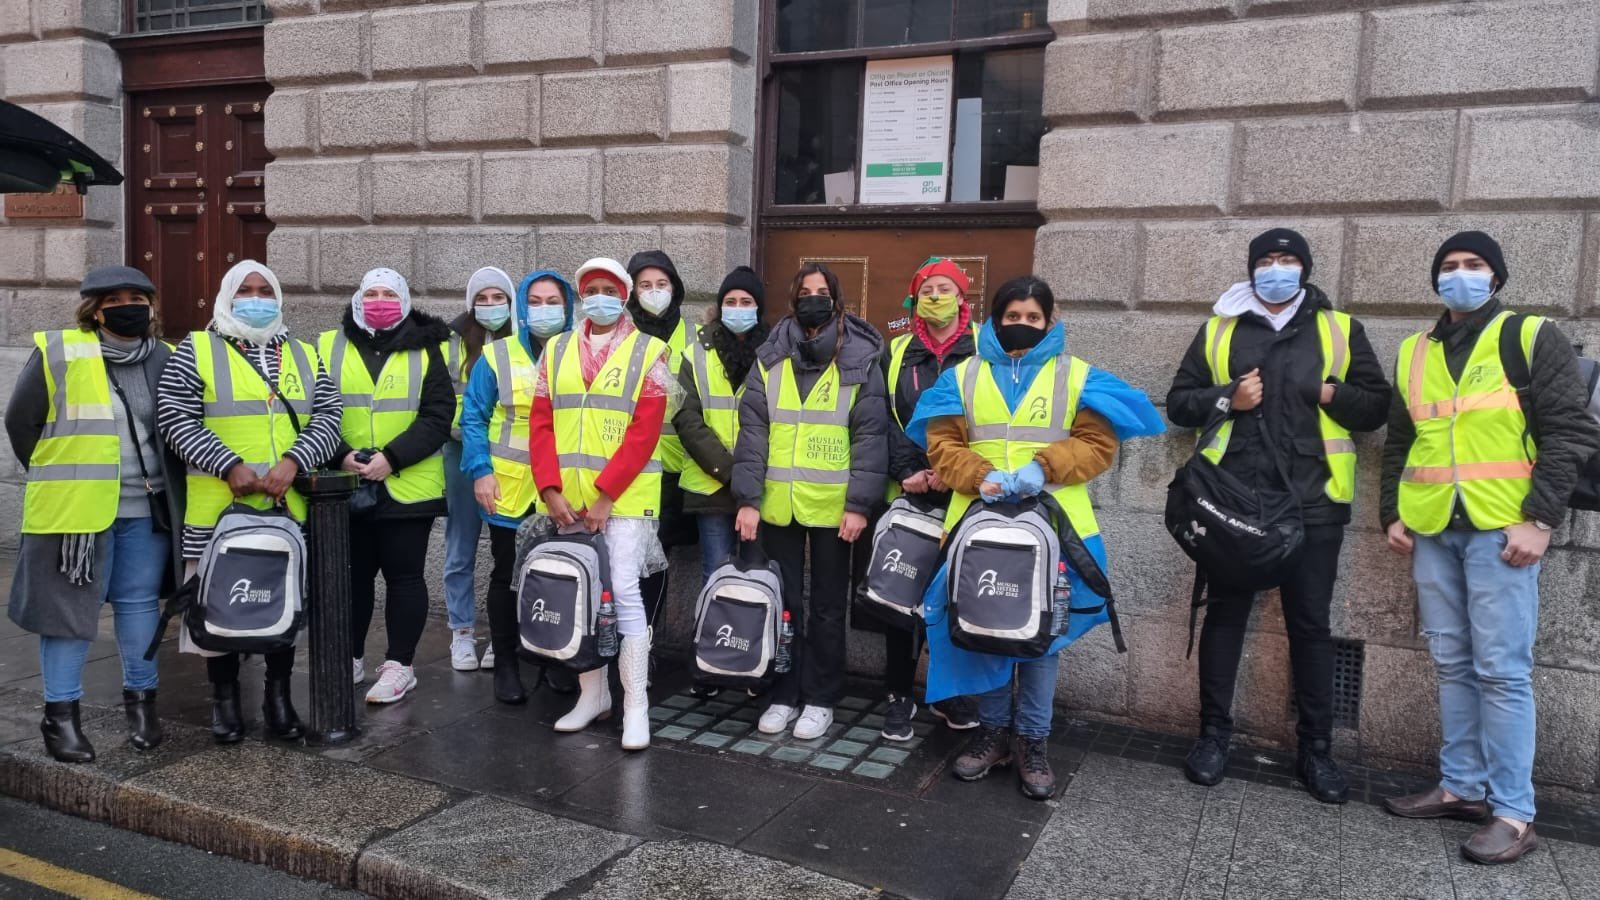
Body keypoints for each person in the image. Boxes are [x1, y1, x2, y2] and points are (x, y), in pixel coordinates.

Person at [1380, 232, 1600, 864]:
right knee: (1451, 662)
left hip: (1503, 529)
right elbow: (1401, 440)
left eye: (1474, 266)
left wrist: (1540, 519)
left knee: (1502, 672)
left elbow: (1571, 430)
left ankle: (1513, 812)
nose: (1460, 275)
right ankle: (1462, 787)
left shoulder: (1529, 336)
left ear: (1496, 278)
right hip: (1432, 527)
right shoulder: (1414, 351)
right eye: (1449, 267)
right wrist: (1392, 511)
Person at [909, 276, 1161, 799]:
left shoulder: (1076, 376)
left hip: (1056, 529)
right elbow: (941, 444)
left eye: (1032, 317)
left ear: (1051, 319)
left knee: (1041, 638)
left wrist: (1040, 469)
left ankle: (1032, 740)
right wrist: (981, 476)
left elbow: (1097, 443)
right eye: (1012, 315)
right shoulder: (961, 378)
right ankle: (993, 733)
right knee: (986, 627)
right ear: (995, 317)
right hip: (977, 524)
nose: (1021, 325)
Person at [1167, 229, 1392, 804]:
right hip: (1233, 501)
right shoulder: (1220, 327)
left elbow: (1375, 409)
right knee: (1224, 619)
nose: (1275, 268)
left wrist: (1330, 395)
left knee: (1310, 627)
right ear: (1251, 269)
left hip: (1313, 505)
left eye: (1286, 259)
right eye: (1265, 260)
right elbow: (1179, 403)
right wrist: (1227, 398)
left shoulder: (1340, 330)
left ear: (1305, 269)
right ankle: (1213, 737)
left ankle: (1316, 752)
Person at [156, 260, 343, 744]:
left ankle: (277, 699)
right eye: (246, 290)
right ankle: (224, 700)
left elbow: (329, 416)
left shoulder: (302, 354)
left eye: (265, 290)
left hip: (286, 511)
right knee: (216, 607)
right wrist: (227, 463)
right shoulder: (195, 350)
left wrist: (295, 461)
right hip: (217, 510)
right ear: (227, 296)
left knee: (281, 603)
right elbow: (174, 418)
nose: (256, 299)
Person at [4, 267, 185, 762]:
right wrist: (58, 475)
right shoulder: (60, 351)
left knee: (139, 606)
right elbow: (22, 422)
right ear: (94, 309)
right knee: (67, 617)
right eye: (115, 299)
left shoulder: (165, 358)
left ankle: (142, 707)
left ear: (150, 305)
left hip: (145, 512)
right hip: (75, 514)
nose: (129, 306)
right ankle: (59, 717)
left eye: (138, 297)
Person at [732, 263, 890, 741]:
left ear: (836, 299)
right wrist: (747, 499)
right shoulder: (770, 355)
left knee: (825, 607)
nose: (813, 299)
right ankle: (783, 693)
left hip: (833, 507)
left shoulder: (860, 355)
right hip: (777, 502)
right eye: (805, 292)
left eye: (822, 292)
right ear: (793, 298)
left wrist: (859, 505)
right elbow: (753, 433)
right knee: (783, 603)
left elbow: (870, 434)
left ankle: (820, 698)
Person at [530, 258, 673, 751]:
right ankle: (593, 696)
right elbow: (541, 422)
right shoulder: (556, 349)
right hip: (566, 500)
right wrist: (549, 488)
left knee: (626, 594)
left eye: (609, 288)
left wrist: (607, 495)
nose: (600, 296)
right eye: (591, 288)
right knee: (582, 595)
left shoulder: (650, 351)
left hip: (624, 500)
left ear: (625, 294)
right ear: (580, 294)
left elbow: (644, 430)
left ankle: (636, 705)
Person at [862, 257, 981, 741]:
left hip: (964, 495)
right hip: (909, 494)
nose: (935, 296)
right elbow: (882, 417)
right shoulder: (897, 351)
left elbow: (989, 420)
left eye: (944, 288)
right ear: (915, 299)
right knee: (899, 597)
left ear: (962, 297)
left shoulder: (983, 352)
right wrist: (907, 470)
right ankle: (898, 696)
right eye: (927, 288)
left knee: (953, 597)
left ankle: (947, 692)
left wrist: (953, 473)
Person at [323, 268, 454, 705]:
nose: (380, 301)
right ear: (359, 299)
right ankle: (351, 657)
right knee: (353, 578)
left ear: (403, 300)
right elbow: (311, 408)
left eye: (389, 294)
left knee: (404, 578)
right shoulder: (327, 346)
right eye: (372, 293)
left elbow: (438, 414)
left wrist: (391, 459)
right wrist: (341, 454)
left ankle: (400, 665)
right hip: (346, 481)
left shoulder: (428, 347)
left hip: (407, 485)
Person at [461, 268, 576, 703]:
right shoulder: (497, 356)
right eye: (536, 301)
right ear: (522, 308)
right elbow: (473, 416)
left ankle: (554, 660)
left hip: (564, 487)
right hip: (509, 485)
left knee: (559, 576)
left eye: (553, 302)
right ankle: (506, 664)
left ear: (568, 308)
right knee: (507, 576)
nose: (544, 310)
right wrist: (480, 471)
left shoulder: (578, 351)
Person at [441, 266, 518, 672]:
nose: (490, 306)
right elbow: (441, 397)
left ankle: (502, 635)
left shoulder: (523, 343)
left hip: (510, 458)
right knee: (461, 544)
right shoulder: (451, 344)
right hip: (461, 454)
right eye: (482, 299)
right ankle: (462, 632)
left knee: (508, 550)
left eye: (498, 298)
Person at [675, 266, 769, 582]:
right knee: (715, 572)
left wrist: (747, 479)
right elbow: (687, 418)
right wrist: (731, 473)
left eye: (746, 302)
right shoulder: (696, 353)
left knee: (758, 574)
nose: (738, 308)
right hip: (712, 485)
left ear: (759, 307)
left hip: (761, 487)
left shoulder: (774, 354)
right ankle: (713, 634)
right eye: (731, 301)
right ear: (719, 306)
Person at [626, 251, 696, 629]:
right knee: (623, 565)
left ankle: (644, 646)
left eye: (661, 284)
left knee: (655, 564)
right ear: (633, 293)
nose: (654, 293)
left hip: (673, 472)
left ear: (675, 288)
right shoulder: (620, 338)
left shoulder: (696, 339)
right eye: (645, 285)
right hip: (625, 471)